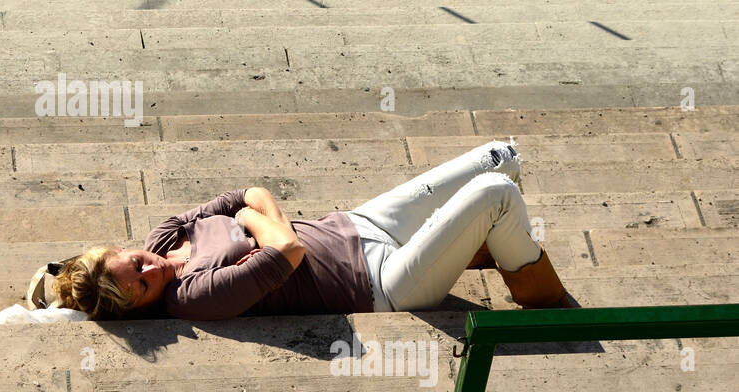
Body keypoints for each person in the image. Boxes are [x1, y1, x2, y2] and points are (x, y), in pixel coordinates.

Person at [40, 140, 579, 320]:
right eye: (141, 285)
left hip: (358, 223)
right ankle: (549, 308)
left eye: (134, 262)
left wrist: (255, 221)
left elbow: (249, 194)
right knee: (496, 196)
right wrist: (256, 225)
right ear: (138, 307)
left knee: (500, 157)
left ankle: (488, 247)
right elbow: (288, 251)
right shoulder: (194, 298)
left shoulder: (163, 238)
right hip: (380, 282)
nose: (150, 268)